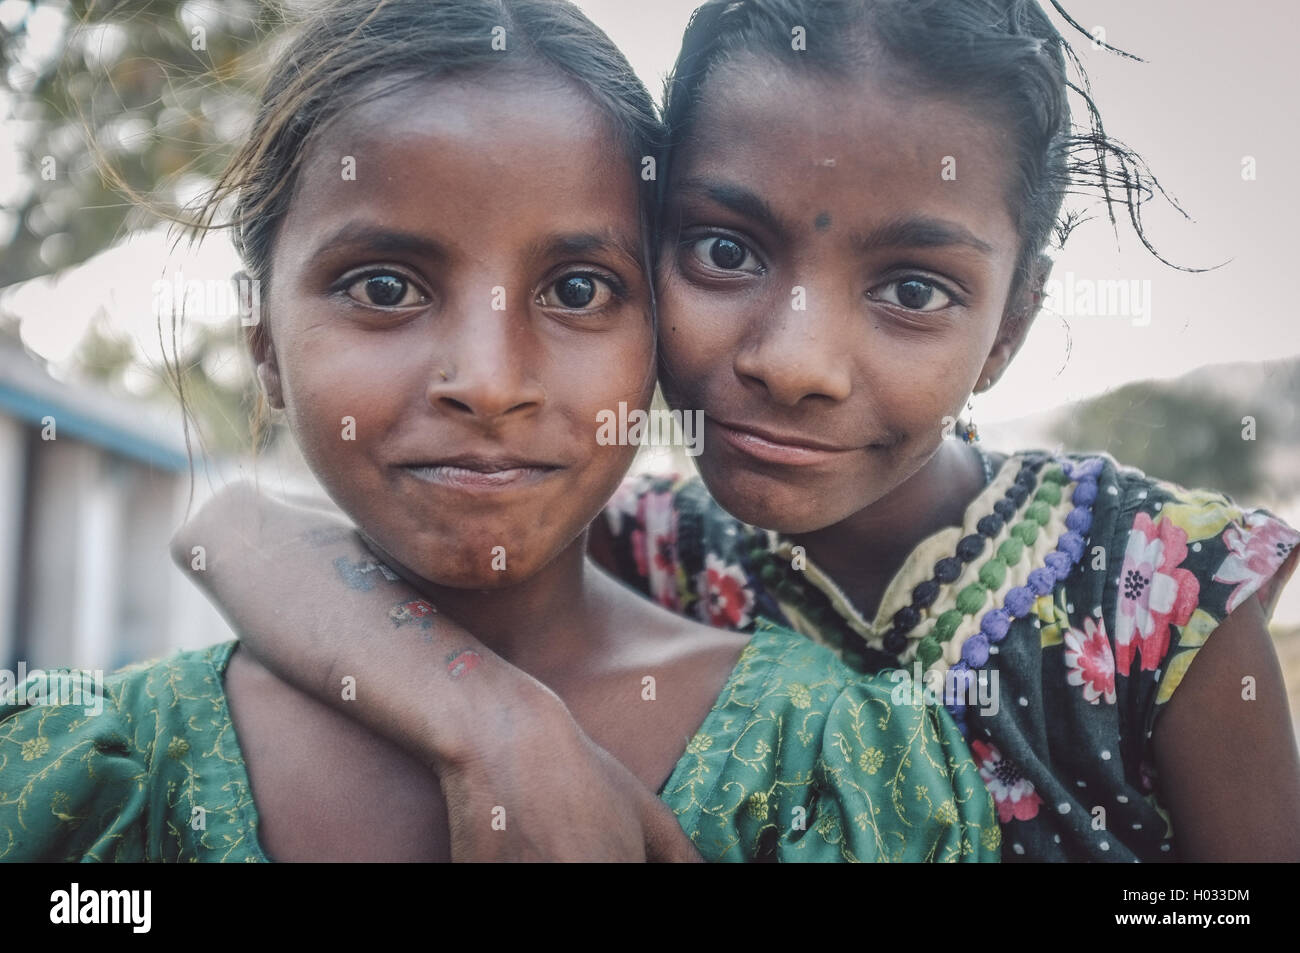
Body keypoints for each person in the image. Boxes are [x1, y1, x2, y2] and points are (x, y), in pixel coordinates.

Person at [180, 0, 1300, 862]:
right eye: (725, 251)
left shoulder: (1155, 586)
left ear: (1008, 327)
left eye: (912, 289)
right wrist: (488, 719)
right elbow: (234, 528)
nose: (794, 361)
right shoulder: (658, 544)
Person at [0, 0, 996, 864]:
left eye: (576, 289)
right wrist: (488, 717)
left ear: (656, 329)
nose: (489, 381)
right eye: (384, 287)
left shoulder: (827, 762)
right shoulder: (97, 771)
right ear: (264, 340)